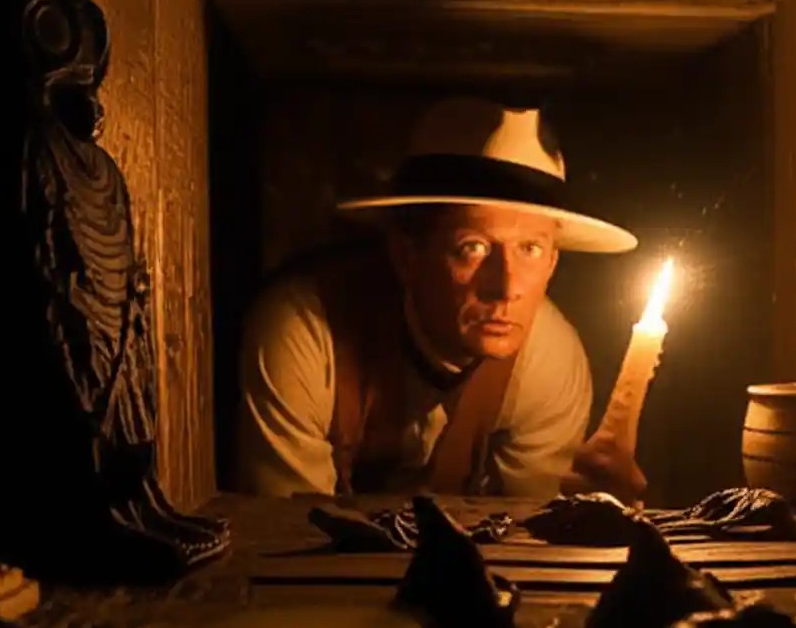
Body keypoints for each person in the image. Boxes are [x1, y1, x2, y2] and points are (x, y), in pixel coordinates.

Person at [235, 97, 647, 502]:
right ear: (406, 254)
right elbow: (285, 533)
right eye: (473, 247)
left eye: (530, 249)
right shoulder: (305, 331)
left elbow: (530, 535)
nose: (505, 288)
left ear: (554, 262)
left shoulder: (549, 358)